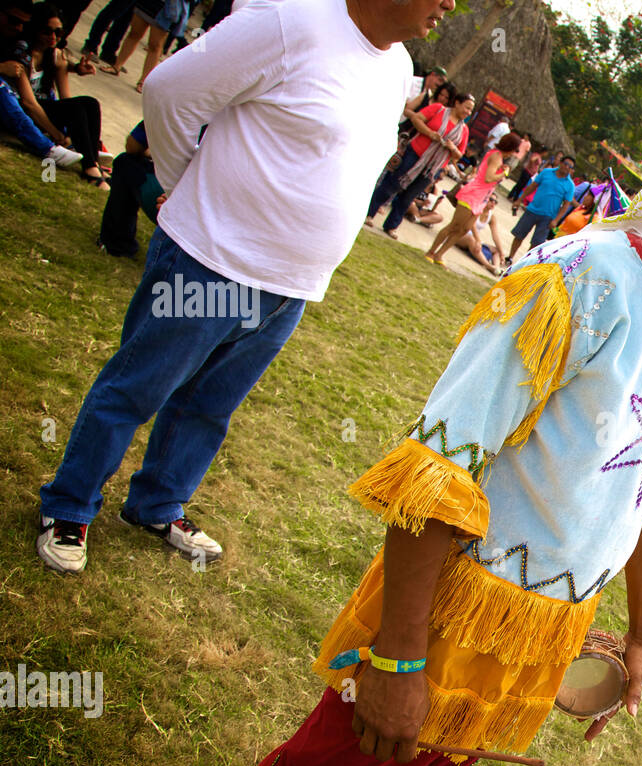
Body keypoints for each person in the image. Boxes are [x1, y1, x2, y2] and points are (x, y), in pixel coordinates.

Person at [188, 0, 642, 766]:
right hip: (445, 617)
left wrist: (641, 640)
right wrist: (399, 660)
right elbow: (439, 467)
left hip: (538, 640)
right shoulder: (579, 279)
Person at [35, 0, 454, 574]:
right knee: (137, 388)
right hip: (212, 261)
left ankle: (158, 503)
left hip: (290, 286)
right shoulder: (290, 20)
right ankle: (69, 504)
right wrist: (184, 184)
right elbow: (169, 91)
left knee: (209, 406)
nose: (450, 4)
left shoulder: (398, 67)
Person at [2, 2, 105, 182]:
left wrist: (70, 68)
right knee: (74, 109)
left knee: (89, 103)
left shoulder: (55, 56)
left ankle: (93, 159)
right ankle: (90, 169)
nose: (53, 37)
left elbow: (66, 99)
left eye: (59, 32)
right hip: (24, 109)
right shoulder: (21, 52)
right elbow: (29, 103)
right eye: (47, 32)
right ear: (35, 29)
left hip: (42, 108)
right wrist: (58, 135)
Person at [368, 90, 473, 239]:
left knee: (408, 197)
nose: (468, 112)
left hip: (432, 168)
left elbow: (459, 154)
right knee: (392, 185)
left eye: (471, 110)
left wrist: (452, 148)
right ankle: (369, 213)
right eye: (467, 107)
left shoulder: (464, 130)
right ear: (457, 103)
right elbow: (416, 118)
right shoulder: (438, 109)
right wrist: (430, 133)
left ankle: (391, 226)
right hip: (415, 154)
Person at [423, 130, 519, 265]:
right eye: (514, 150)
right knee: (454, 226)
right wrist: (504, 173)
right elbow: (488, 178)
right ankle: (431, 252)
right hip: (472, 195)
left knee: (463, 230)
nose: (514, 153)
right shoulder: (496, 156)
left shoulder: (498, 157)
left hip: (481, 199)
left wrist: (501, 170)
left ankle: (439, 254)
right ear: (510, 147)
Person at [96, 120, 163, 256]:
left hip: (180, 211)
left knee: (126, 163)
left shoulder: (174, 109)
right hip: (203, 220)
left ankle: (117, 243)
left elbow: (133, 147)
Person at [504, 152, 576, 263]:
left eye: (570, 166)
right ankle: (510, 257)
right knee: (519, 235)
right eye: (566, 164)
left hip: (548, 217)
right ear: (561, 163)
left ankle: (523, 264)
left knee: (536, 245)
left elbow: (566, 205)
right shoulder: (547, 172)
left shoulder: (570, 185)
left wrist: (556, 220)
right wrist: (519, 199)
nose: (567, 167)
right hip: (532, 210)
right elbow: (532, 186)